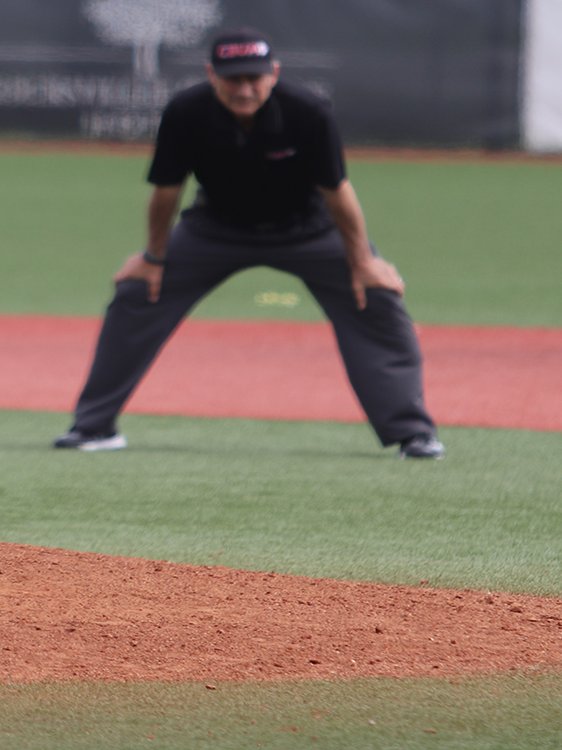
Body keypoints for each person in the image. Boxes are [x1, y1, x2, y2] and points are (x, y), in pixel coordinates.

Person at [54, 29, 444, 459]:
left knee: (375, 295)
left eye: (254, 78)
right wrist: (152, 258)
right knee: (136, 294)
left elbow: (338, 192)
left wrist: (363, 261)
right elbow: (167, 190)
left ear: (273, 74)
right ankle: (94, 427)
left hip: (308, 230)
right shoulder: (186, 111)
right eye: (233, 79)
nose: (244, 88)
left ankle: (414, 433)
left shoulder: (307, 112)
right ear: (211, 75)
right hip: (214, 230)